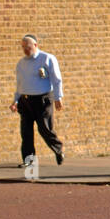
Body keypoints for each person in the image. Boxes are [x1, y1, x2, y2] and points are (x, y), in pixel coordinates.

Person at [9, 34, 65, 165]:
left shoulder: (47, 58)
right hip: (25, 100)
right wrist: (15, 100)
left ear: (35, 45)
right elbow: (20, 84)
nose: (25, 50)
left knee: (44, 128)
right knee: (26, 131)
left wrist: (58, 97)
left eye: (27, 47)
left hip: (43, 99)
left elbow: (56, 80)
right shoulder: (21, 64)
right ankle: (29, 160)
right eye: (23, 47)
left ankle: (58, 149)